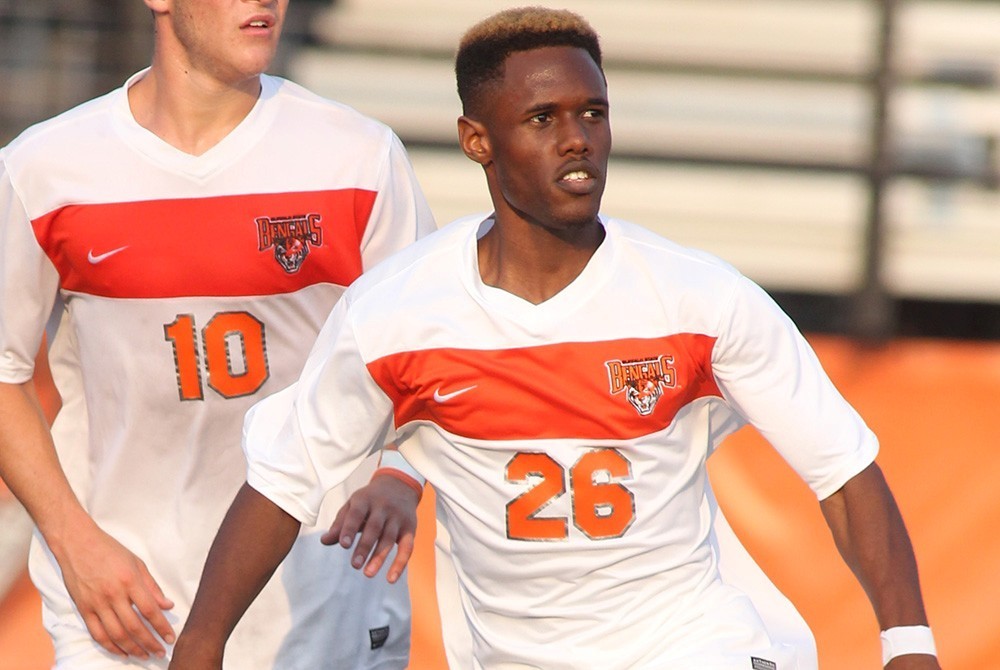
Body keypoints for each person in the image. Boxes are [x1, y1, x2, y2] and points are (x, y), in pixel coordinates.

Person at [169, 7, 941, 670]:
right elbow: (281, 485)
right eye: (544, 119)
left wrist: (909, 645)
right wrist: (199, 648)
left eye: (593, 113)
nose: (577, 139)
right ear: (477, 140)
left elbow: (842, 469)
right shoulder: (398, 315)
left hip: (692, 644)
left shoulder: (699, 298)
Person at [0, 0, 436, 666]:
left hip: (322, 602)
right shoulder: (45, 168)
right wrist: (73, 543)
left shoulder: (359, 157)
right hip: (126, 610)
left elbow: (429, 354)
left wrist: (400, 476)